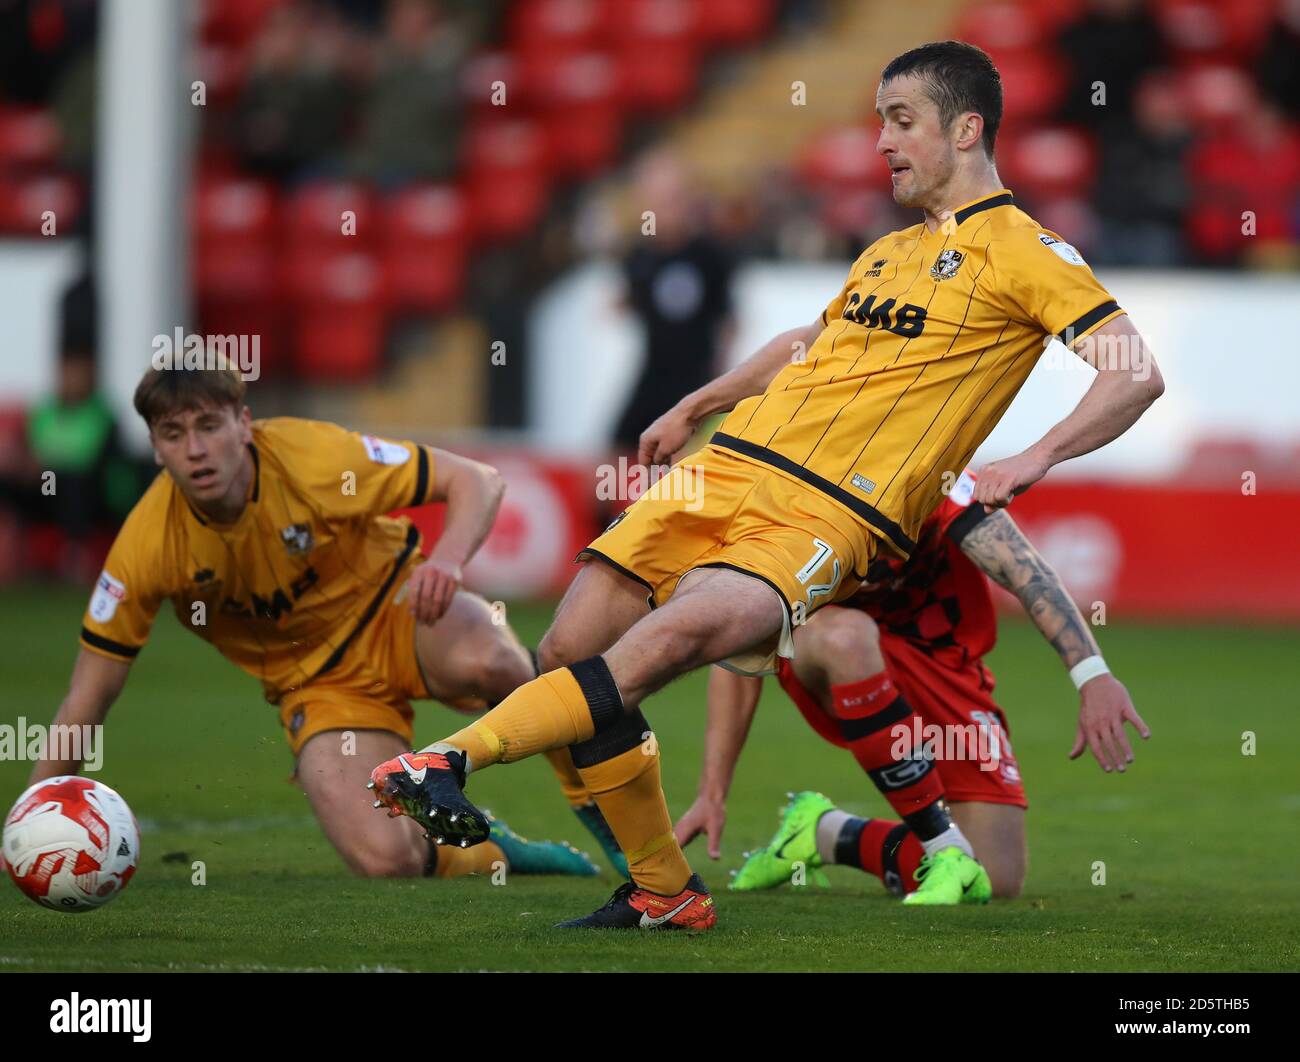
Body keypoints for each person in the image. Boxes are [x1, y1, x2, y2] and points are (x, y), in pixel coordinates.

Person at [369, 40, 1164, 930]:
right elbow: (804, 347)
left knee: (670, 643)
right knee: (566, 649)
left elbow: (1133, 373)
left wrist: (1035, 456)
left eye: (902, 121)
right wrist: (698, 401)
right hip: (725, 466)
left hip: (833, 512)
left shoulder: (1029, 251)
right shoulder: (888, 252)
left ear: (967, 128)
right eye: (878, 122)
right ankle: (663, 889)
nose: (881, 142)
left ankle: (447, 761)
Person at [29, 364, 619, 881]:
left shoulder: (312, 458)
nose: (196, 450)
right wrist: (33, 821)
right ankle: (495, 853)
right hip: (318, 688)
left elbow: (477, 480)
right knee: (386, 861)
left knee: (495, 661)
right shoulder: (146, 544)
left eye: (209, 426)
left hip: (399, 612)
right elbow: (89, 695)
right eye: (174, 434)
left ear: (244, 423)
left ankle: (597, 809)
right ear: (156, 448)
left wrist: (446, 560)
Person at [672, 468, 1148, 904]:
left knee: (995, 878)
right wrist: (712, 791)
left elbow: (1026, 572)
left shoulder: (937, 477)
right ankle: (943, 847)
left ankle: (822, 833)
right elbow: (739, 646)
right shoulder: (794, 492)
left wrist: (1093, 675)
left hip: (941, 664)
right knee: (848, 636)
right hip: (827, 643)